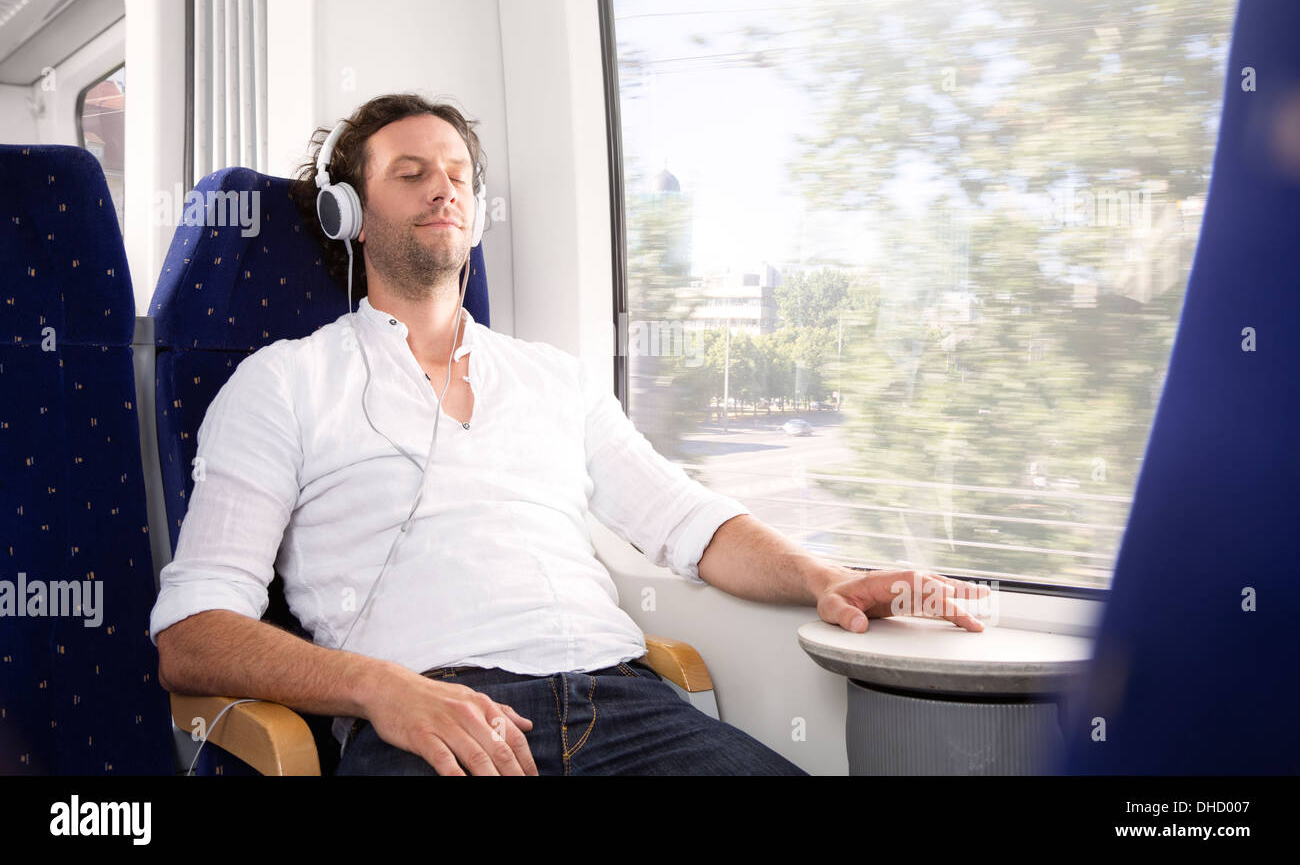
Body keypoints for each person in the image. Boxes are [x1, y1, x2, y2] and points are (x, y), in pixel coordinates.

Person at [150, 93, 989, 776]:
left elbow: (683, 521)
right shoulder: (282, 384)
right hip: (435, 726)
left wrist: (826, 577)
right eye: (410, 174)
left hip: (628, 706)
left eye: (457, 176)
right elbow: (194, 635)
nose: (443, 189)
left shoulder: (554, 377)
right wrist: (380, 691)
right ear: (350, 217)